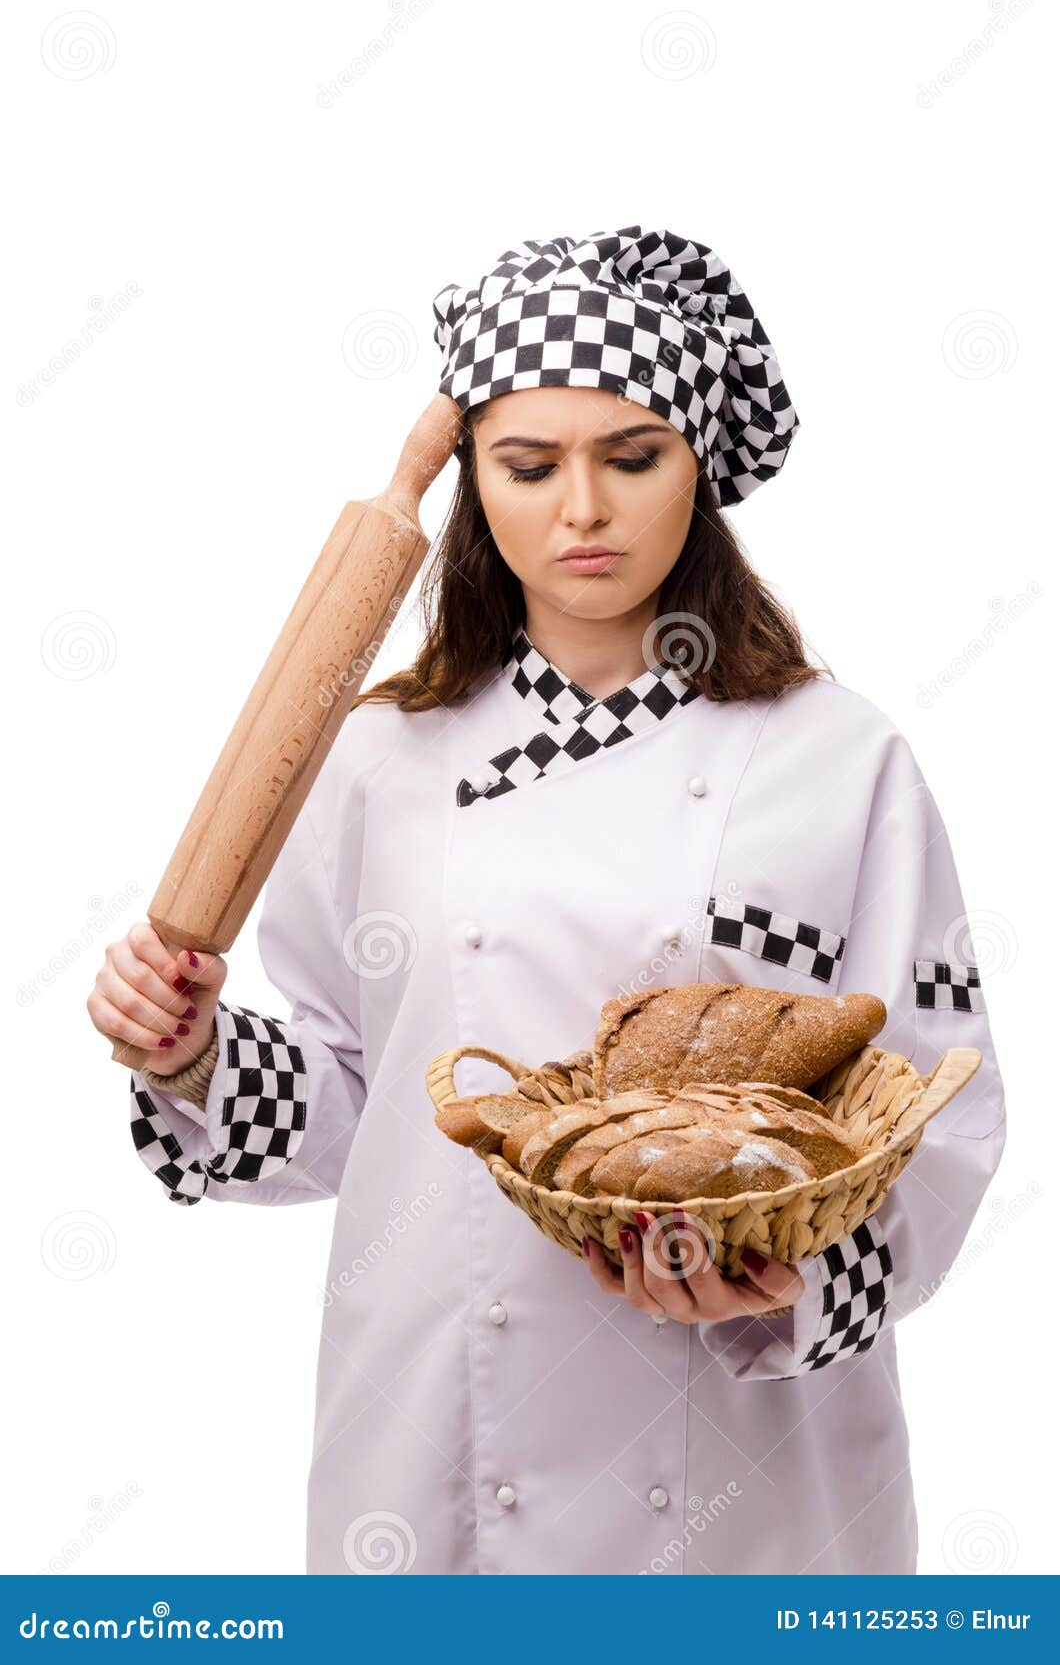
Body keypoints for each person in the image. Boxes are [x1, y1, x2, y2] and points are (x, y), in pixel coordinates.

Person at [88, 227, 1006, 1575]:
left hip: (752, 1489)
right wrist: (194, 1054)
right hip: (437, 1454)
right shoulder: (372, 757)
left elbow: (937, 1102)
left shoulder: (838, 756)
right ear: (471, 486)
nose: (582, 510)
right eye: (529, 467)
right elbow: (356, 1092)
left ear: (701, 463)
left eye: (633, 457)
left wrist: (795, 1274)